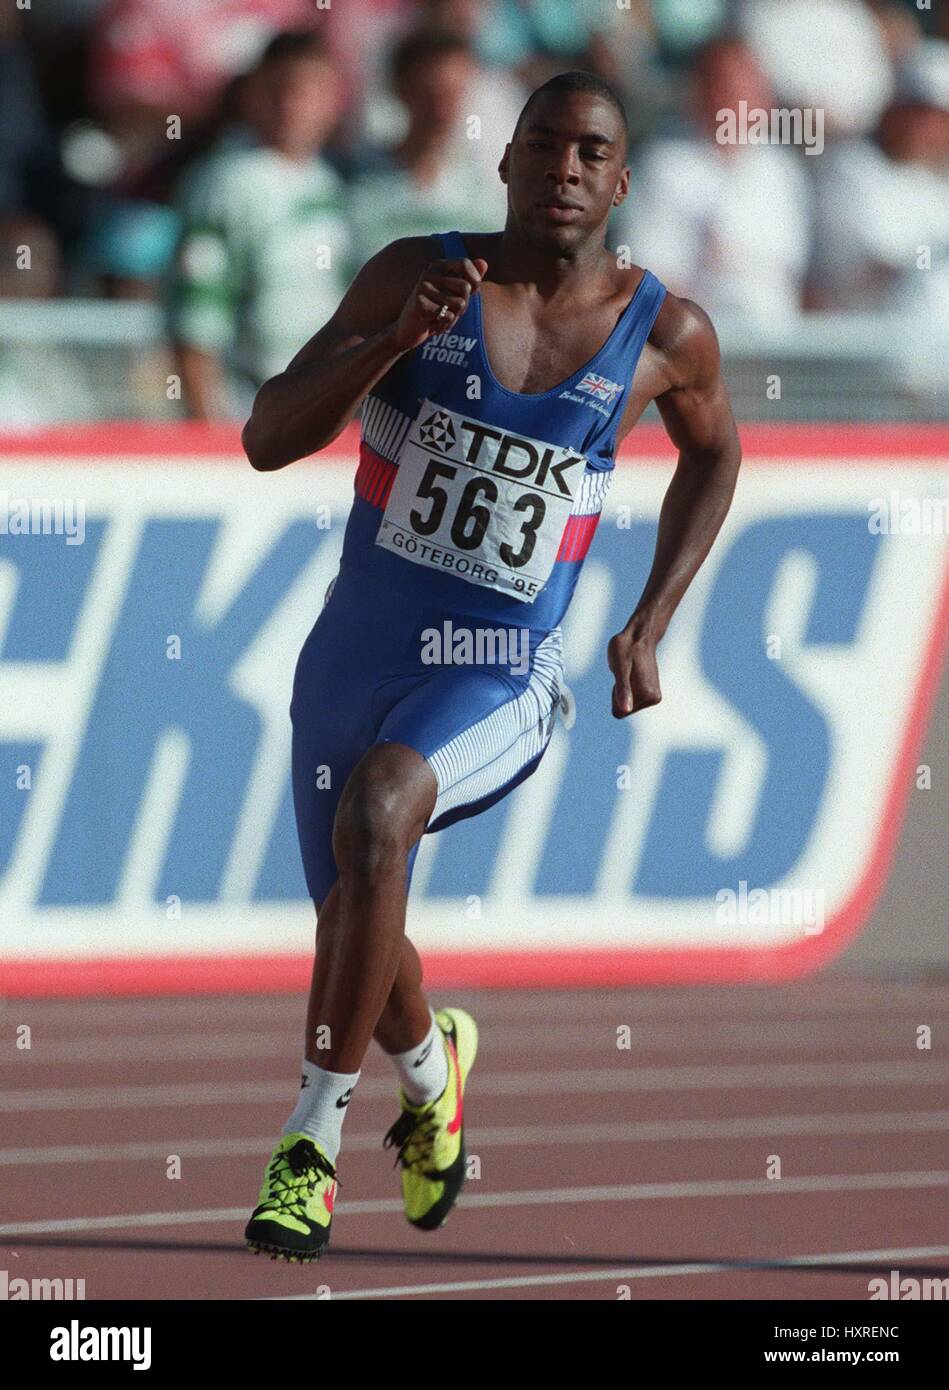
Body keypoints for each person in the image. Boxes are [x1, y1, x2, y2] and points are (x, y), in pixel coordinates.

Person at [240, 70, 741, 1261]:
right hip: (352, 656)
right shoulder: (416, 274)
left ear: (621, 181)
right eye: (545, 147)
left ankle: (308, 1144)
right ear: (506, 162)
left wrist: (651, 616)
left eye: (592, 153)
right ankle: (431, 1069)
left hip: (502, 671)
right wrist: (389, 342)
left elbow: (714, 458)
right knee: (359, 907)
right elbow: (267, 435)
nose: (565, 169)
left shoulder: (665, 333)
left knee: (381, 816)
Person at [167, 31, 351, 420]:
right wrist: (209, 432)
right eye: (279, 89)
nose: (292, 105)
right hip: (250, 410)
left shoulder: (333, 184)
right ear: (251, 95)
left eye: (308, 90)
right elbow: (195, 317)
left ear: (334, 100)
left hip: (323, 412)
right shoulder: (226, 181)